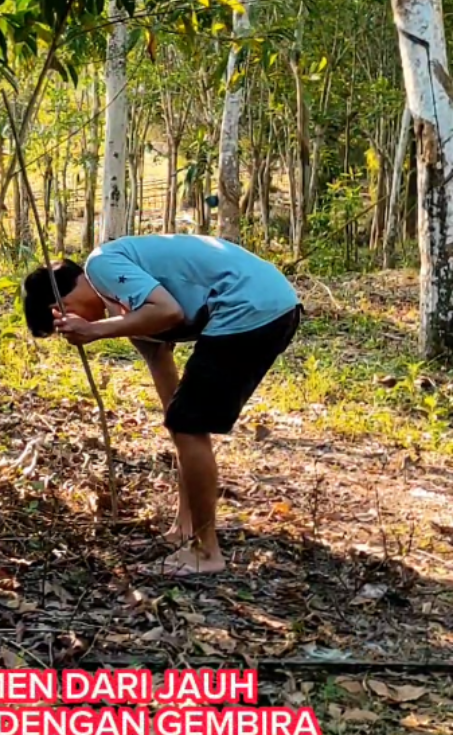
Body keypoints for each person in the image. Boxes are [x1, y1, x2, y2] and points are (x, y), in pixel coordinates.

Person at [22, 234, 301, 575]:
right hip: (265, 304)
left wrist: (96, 331)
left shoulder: (101, 265)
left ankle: (205, 552)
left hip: (249, 304)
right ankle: (186, 528)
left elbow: (169, 311)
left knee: (188, 425)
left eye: (62, 318)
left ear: (60, 305)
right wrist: (178, 421)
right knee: (185, 424)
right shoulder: (129, 307)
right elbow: (162, 369)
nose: (73, 324)